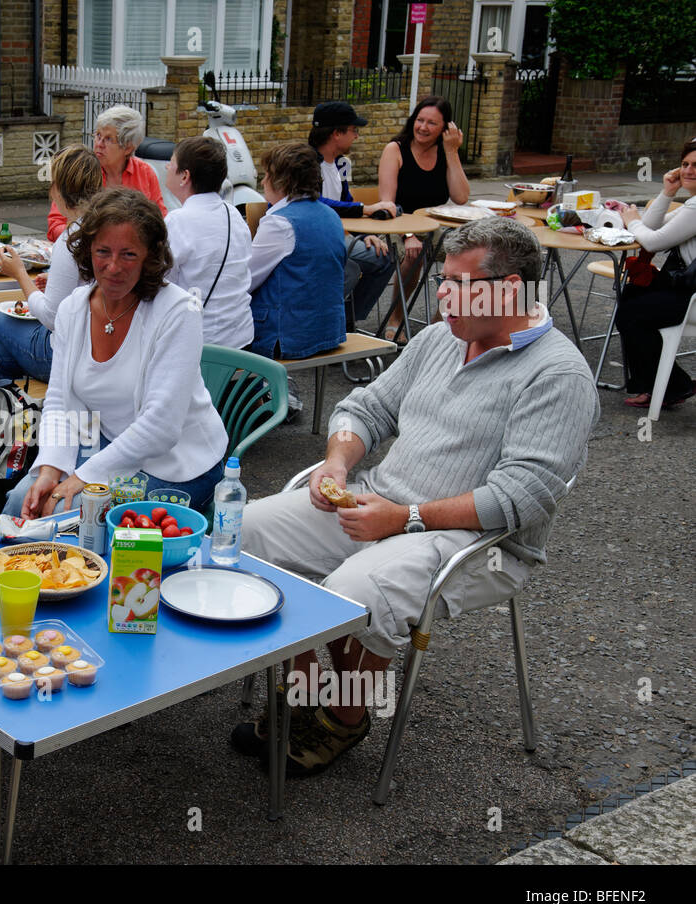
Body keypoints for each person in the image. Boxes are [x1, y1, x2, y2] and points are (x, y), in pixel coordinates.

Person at [229, 217, 599, 777]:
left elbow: (524, 496)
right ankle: (307, 695)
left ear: (514, 289)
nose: (441, 293)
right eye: (442, 279)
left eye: (458, 283)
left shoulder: (559, 374)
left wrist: (405, 519)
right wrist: (337, 462)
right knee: (246, 532)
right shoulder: (438, 340)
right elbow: (365, 409)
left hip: (476, 538)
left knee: (358, 587)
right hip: (380, 500)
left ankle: (342, 718)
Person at [4, 188, 228, 518]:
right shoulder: (72, 310)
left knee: (74, 520)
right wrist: (51, 469)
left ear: (151, 257)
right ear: (87, 252)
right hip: (109, 449)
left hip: (178, 466)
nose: (112, 267)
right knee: (21, 501)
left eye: (129, 255)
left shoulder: (179, 312)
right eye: (102, 251)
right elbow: (60, 401)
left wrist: (80, 478)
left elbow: (160, 427)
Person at [0, 145, 103, 387]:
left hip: (65, 354)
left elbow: (51, 316)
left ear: (59, 189)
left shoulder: (71, 238)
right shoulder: (104, 225)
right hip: (98, 349)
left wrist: (19, 273)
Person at [609, 138, 696, 410]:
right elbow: (651, 227)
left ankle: (667, 386)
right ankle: (661, 384)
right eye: (685, 164)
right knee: (633, 297)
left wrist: (631, 220)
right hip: (687, 290)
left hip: (693, 298)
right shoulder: (691, 205)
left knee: (631, 312)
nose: (688, 171)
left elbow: (652, 241)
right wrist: (667, 192)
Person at [376, 96, 470, 338]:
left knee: (468, 259)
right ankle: (396, 318)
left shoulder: (445, 151)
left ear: (445, 128)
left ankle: (440, 323)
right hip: (396, 223)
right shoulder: (395, 150)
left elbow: (460, 197)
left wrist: (452, 151)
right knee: (411, 256)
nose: (423, 127)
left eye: (432, 123)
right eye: (420, 120)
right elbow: (387, 204)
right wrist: (408, 234)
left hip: (433, 226)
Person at [248, 142, 347, 361]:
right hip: (329, 331)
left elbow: (246, 279)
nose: (263, 181)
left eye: (267, 175)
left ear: (282, 181)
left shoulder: (280, 222)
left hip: (285, 335)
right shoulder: (331, 215)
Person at [309, 101, 397, 326]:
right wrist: (364, 209)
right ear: (337, 133)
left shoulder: (340, 163)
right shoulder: (306, 162)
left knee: (385, 257)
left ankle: (347, 320)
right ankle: (327, 321)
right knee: (357, 265)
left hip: (338, 236)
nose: (356, 136)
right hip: (317, 240)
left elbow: (344, 201)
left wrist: (363, 232)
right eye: (353, 130)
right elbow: (315, 201)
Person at [162, 136, 253, 349]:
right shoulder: (234, 214)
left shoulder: (178, 221)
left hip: (202, 344)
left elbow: (161, 283)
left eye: (171, 162)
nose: (167, 166)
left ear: (185, 176)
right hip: (242, 339)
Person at [45, 106, 167, 242]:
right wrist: (88, 235)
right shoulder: (82, 171)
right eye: (98, 135)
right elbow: (55, 226)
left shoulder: (145, 172)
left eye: (108, 139)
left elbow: (160, 220)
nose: (99, 144)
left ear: (128, 148)